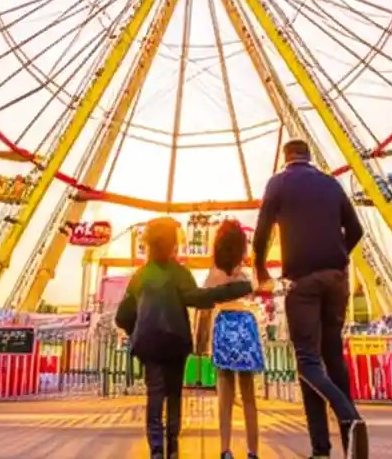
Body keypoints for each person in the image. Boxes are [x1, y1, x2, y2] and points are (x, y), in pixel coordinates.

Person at [252, 139, 370, 459]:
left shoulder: (279, 183)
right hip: (336, 280)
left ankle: (340, 427)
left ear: (285, 156)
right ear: (309, 156)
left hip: (302, 282)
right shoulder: (331, 184)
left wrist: (261, 269)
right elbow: (356, 230)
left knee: (307, 362)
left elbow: (262, 232)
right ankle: (347, 444)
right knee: (333, 358)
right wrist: (337, 257)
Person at [116, 217, 253, 459]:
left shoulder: (141, 276)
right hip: (174, 341)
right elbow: (200, 297)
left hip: (148, 343)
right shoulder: (180, 274)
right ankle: (173, 447)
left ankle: (156, 449)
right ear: (172, 245)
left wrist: (136, 330)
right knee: (174, 394)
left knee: (154, 394)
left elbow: (123, 315)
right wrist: (241, 288)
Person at [198, 219, 264, 459]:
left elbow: (204, 306)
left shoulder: (214, 275)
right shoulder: (245, 275)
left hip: (224, 325)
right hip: (246, 326)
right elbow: (258, 290)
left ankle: (225, 449)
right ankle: (252, 451)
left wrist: (200, 341)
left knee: (225, 395)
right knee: (249, 396)